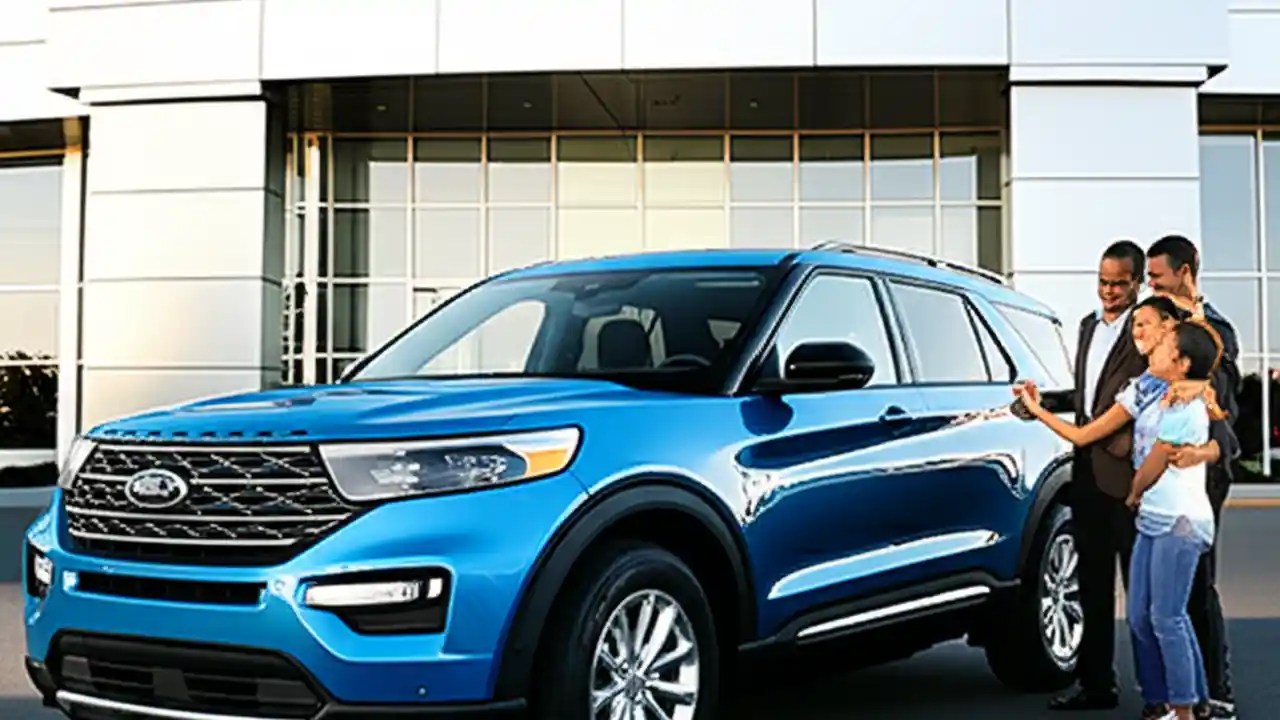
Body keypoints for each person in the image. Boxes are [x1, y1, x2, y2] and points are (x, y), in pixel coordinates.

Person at [1017, 318, 1229, 720]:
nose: (1152, 341)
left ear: (1182, 362)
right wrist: (1036, 409)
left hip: (1179, 522)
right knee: (1139, 617)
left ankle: (1185, 708)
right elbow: (1085, 435)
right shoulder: (1150, 386)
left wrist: (1134, 490)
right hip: (1151, 517)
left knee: (1168, 617)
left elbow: (1159, 457)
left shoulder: (1189, 402)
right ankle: (1163, 700)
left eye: (1163, 337)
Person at [1046, 240, 1148, 712]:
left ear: (1137, 282)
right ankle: (1096, 685)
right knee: (1091, 583)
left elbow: (1158, 388)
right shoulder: (1087, 326)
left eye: (1118, 283)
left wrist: (1130, 434)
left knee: (1141, 591)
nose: (1108, 291)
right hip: (1085, 469)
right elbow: (1089, 395)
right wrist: (1044, 405)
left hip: (1129, 475)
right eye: (1103, 282)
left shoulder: (1149, 328)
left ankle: (1161, 693)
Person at [1146, 235, 1241, 720]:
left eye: (1157, 275)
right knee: (1156, 594)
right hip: (1159, 473)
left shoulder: (1214, 333)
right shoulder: (1157, 326)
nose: (1150, 284)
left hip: (1201, 474)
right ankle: (1175, 694)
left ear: (1185, 271)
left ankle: (1215, 694)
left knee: (1197, 584)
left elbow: (1223, 410)